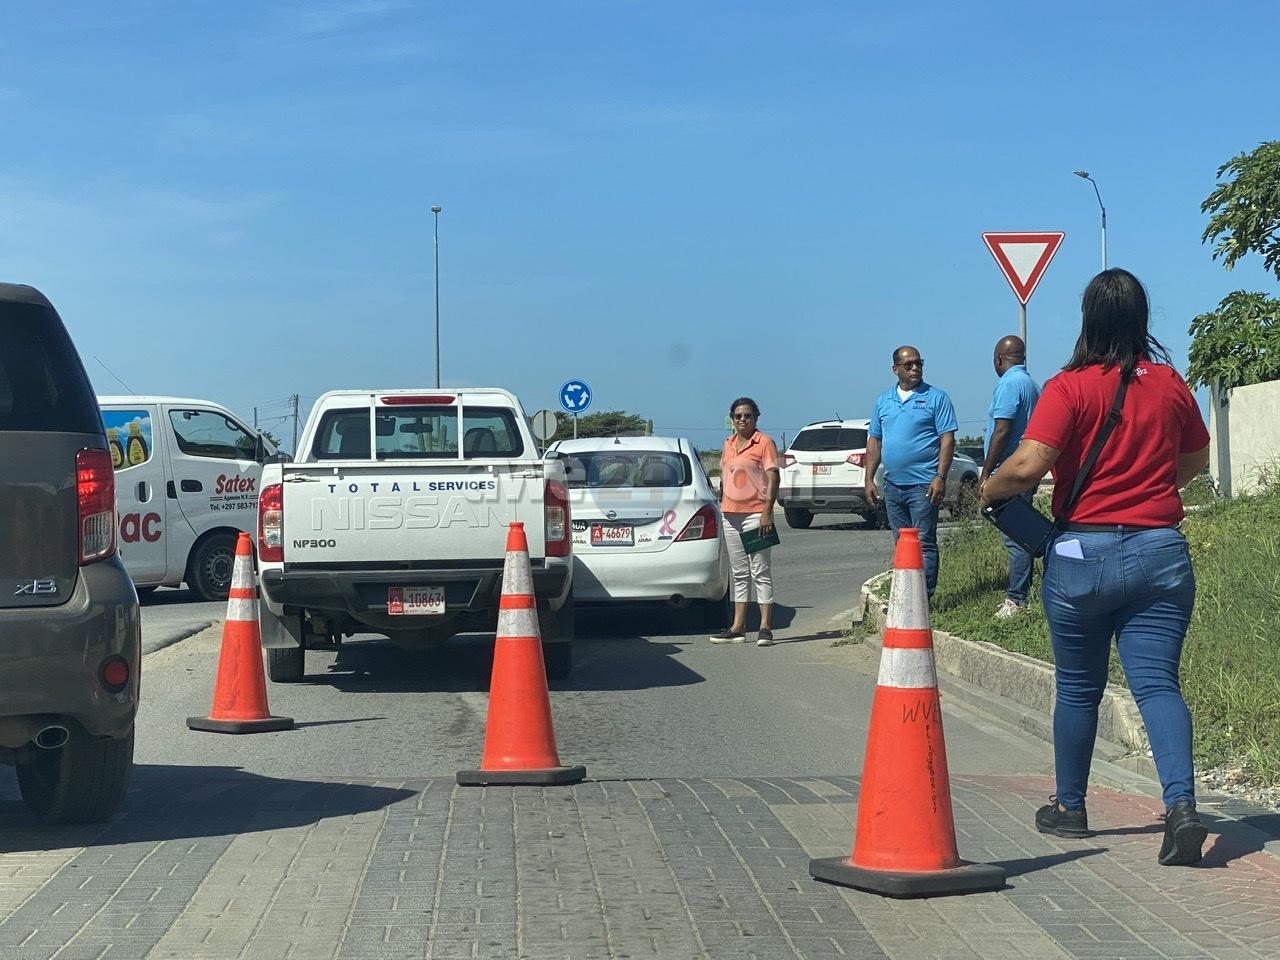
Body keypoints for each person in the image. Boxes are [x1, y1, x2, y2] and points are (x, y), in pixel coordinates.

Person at [980, 268, 1211, 866]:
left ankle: (1071, 807)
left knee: (1079, 687)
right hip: (1160, 550)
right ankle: (1182, 807)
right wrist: (1151, 492)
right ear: (1142, 319)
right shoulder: (1168, 385)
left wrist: (988, 488)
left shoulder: (1070, 387)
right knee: (1157, 684)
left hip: (1082, 554)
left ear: (1088, 319)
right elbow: (1195, 459)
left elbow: (1029, 466)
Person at [864, 345, 958, 597]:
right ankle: (906, 596)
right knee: (902, 544)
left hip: (924, 485)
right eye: (909, 364)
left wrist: (940, 477)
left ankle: (924, 600)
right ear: (895, 369)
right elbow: (874, 441)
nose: (915, 368)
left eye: (919, 363)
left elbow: (947, 440)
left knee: (924, 543)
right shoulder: (884, 400)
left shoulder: (937, 398)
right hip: (893, 486)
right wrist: (868, 478)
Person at [978, 335, 1041, 618]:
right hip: (1027, 467)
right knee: (1025, 531)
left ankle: (1017, 599)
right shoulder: (1031, 385)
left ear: (999, 359)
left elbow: (1002, 430)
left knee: (1016, 537)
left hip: (1008, 470)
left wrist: (986, 471)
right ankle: (1027, 591)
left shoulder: (1008, 384)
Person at [712, 397, 780, 647]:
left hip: (755, 514)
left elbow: (773, 478)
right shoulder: (728, 443)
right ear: (732, 419)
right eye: (738, 416)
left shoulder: (764, 443)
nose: (743, 420)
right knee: (739, 573)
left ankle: (765, 627)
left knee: (760, 571)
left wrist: (767, 512)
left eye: (748, 415)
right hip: (730, 514)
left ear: (756, 418)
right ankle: (738, 627)